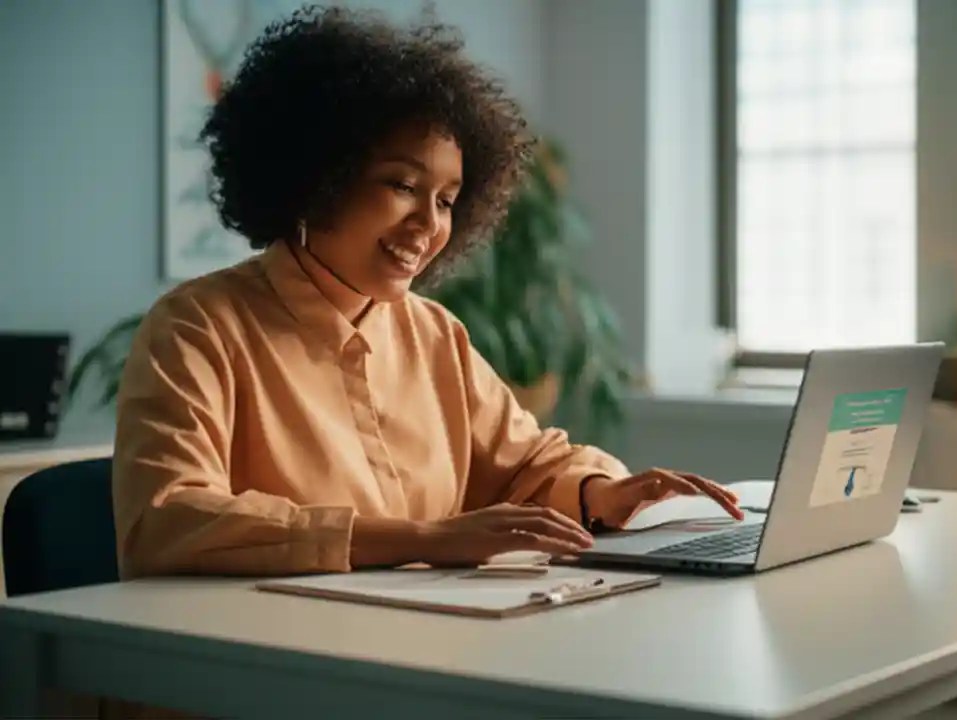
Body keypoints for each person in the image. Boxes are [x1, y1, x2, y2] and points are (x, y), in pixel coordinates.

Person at [112, 5, 742, 579]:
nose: (429, 225)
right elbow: (169, 516)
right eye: (402, 185)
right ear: (315, 176)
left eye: (446, 200)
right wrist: (422, 538)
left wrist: (601, 492)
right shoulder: (198, 327)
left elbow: (527, 462)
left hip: (414, 644)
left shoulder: (433, 332)